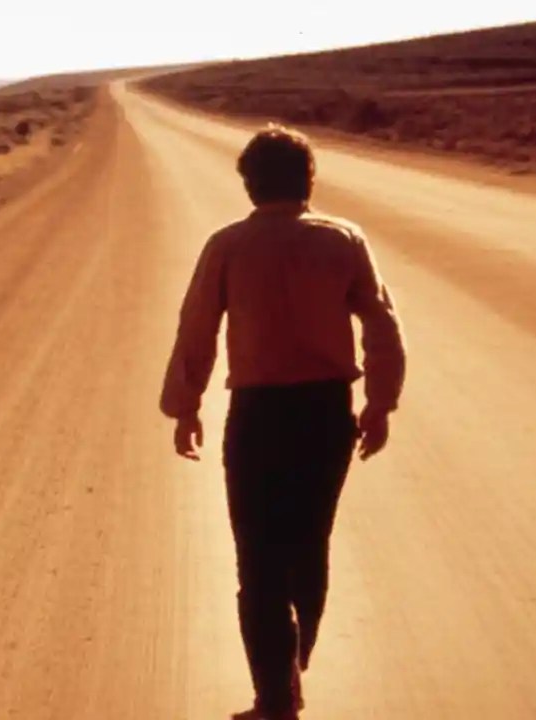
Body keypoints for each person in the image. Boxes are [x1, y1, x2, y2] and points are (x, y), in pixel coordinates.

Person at [160, 123, 407, 719]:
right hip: (326, 416)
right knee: (309, 545)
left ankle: (276, 698)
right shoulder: (343, 239)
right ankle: (289, 676)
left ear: (248, 183)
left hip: (259, 417)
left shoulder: (226, 245)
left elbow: (197, 330)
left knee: (259, 560)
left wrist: (186, 406)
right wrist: (379, 402)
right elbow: (381, 323)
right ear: (309, 180)